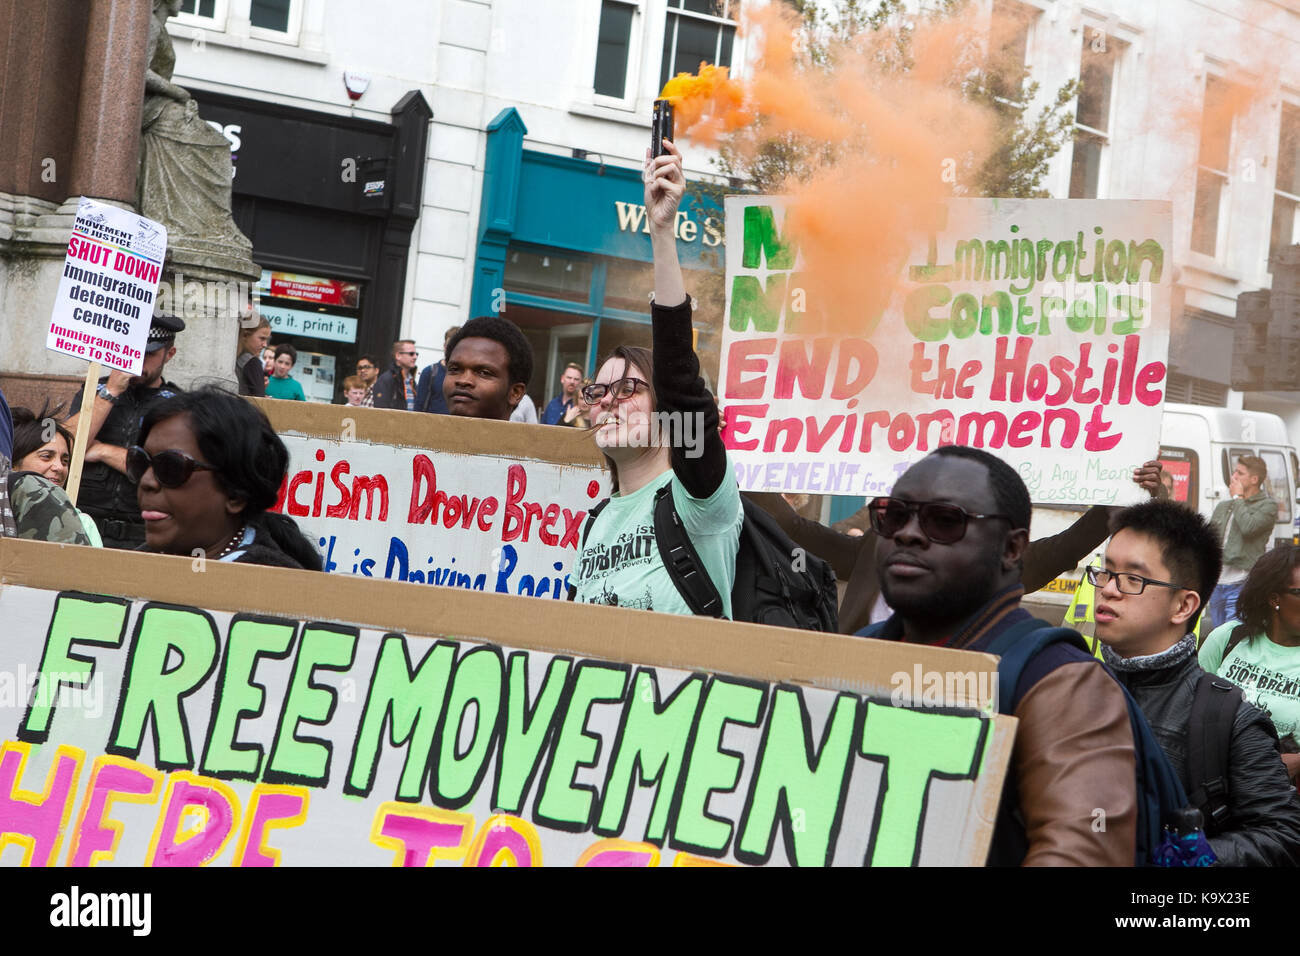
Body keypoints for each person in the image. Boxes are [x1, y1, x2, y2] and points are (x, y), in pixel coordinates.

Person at [858, 446, 1138, 865]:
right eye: (894, 515)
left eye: (945, 520)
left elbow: (1083, 847)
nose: (908, 533)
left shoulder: (1060, 682)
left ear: (1012, 549)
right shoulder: (858, 652)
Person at [570, 141, 742, 615]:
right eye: (598, 391)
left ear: (665, 409)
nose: (607, 401)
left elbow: (684, 388)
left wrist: (661, 231)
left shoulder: (698, 501)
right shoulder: (595, 524)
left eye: (628, 388)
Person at [1092, 500, 1300, 865]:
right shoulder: (1067, 687)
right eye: (1106, 572)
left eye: (1133, 579)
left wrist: (1202, 857)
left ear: (1183, 606)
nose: (1108, 589)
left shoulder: (1230, 719)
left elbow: (1282, 833)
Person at [751, 462, 1169, 634]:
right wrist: (736, 457)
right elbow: (792, 527)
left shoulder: (988, 566)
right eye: (898, 512)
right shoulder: (878, 546)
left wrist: (1124, 490)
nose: (911, 534)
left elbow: (1064, 547)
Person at [133, 387, 323, 570]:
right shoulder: (129, 568)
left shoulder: (278, 591)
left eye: (171, 467)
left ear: (235, 495)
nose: (147, 481)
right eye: (140, 461)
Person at [63, 310, 185, 550]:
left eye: (148, 354)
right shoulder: (94, 392)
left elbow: (168, 472)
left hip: (142, 532)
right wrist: (110, 392)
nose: (137, 361)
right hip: (83, 523)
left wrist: (102, 452)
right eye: (131, 351)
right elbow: (66, 447)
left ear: (169, 354)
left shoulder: (179, 405)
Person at [1200, 543, 1300, 782]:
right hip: (1212, 789)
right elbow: (1186, 705)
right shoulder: (1228, 638)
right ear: (1273, 598)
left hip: (1280, 804)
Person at [10, 405, 103, 546]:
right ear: (12, 463)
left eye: (65, 461)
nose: (59, 467)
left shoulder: (82, 522)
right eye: (46, 457)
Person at [1207, 455, 1277, 631]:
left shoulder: (1268, 506)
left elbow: (1249, 528)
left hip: (1241, 583)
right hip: (1217, 582)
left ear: (1254, 479)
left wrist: (1238, 497)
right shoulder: (1224, 506)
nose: (1234, 477)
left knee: (1233, 635)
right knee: (1217, 635)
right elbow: (1210, 538)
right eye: (1235, 472)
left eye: (1240, 473)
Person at [441, 317, 533, 421]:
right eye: (455, 369)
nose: (463, 380)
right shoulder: (421, 436)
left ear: (515, 392)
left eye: (484, 373)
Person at [415, 326, 460, 414]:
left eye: (456, 346)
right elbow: (418, 408)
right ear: (444, 346)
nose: (452, 350)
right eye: (449, 346)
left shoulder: (466, 376)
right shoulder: (430, 372)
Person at [373, 339, 420, 411]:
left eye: (416, 354)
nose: (415, 357)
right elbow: (381, 411)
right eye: (411, 354)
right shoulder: (387, 379)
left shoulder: (412, 381)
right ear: (398, 356)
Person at [236, 313, 271, 397]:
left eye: (267, 340)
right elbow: (259, 401)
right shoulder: (252, 362)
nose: (265, 345)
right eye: (262, 338)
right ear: (245, 335)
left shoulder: (232, 358)